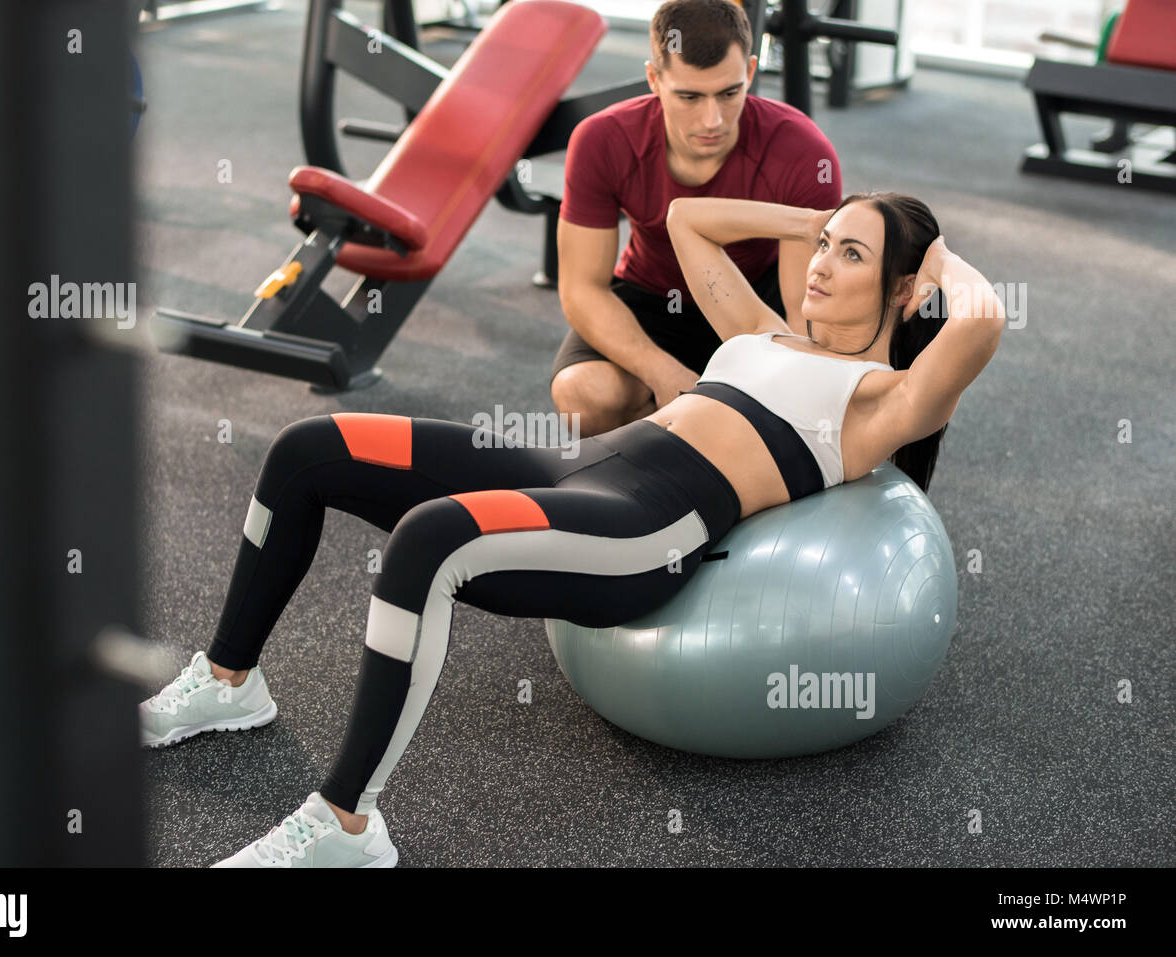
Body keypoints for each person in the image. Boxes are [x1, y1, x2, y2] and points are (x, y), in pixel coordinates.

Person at [139, 192, 1005, 868]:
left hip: (645, 524)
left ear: (902, 287)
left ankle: (346, 823)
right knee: (306, 450)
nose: (819, 264)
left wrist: (936, 257)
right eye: (824, 246)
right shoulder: (764, 335)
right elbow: (686, 220)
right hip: (565, 464)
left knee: (429, 539)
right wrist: (814, 219)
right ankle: (229, 680)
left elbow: (983, 320)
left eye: (850, 255)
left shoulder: (879, 400)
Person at [552, 0, 843, 437]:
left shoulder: (803, 151)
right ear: (654, 79)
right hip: (653, 296)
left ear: (750, 71)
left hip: (751, 300)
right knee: (584, 396)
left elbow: (804, 317)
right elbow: (581, 289)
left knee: (788, 409)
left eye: (729, 93)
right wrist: (662, 373)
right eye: (689, 96)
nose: (713, 120)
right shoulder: (601, 140)